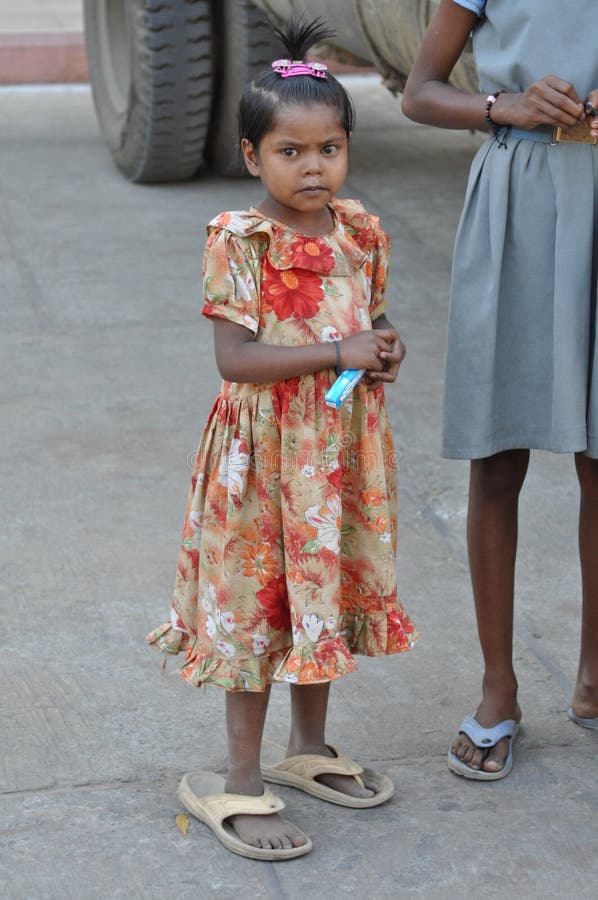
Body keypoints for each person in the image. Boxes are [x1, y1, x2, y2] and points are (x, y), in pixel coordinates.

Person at [147, 16, 417, 859]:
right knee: (260, 608)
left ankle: (306, 750)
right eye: (290, 152)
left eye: (329, 148)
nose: (313, 167)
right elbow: (236, 360)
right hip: (263, 460)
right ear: (251, 153)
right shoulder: (241, 241)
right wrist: (339, 349)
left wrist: (380, 348)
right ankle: (238, 778)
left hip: (339, 454)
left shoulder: (361, 232)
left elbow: (367, 317)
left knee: (321, 597)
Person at [402, 0, 598, 780]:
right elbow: (420, 89)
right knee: (496, 451)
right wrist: (502, 104)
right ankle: (498, 688)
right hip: (517, 194)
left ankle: (593, 675)